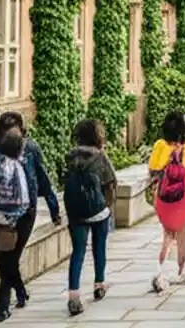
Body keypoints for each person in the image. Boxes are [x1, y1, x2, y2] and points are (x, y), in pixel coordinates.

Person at [0, 112, 61, 322]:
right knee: (6, 258)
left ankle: (2, 306)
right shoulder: (0, 156)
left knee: (8, 258)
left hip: (14, 215)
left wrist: (54, 208)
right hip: (10, 215)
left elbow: (42, 179)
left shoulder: (24, 152)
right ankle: (20, 291)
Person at [62, 120, 117, 316]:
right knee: (99, 246)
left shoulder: (70, 158)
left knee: (77, 252)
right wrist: (108, 206)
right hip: (98, 210)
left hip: (75, 211)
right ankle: (99, 283)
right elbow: (111, 182)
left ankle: (73, 295)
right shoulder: (100, 157)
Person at [150, 112, 185, 291]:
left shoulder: (159, 146)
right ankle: (180, 270)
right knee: (182, 237)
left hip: (164, 199)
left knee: (167, 235)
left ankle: (161, 268)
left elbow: (153, 171)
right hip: (184, 200)